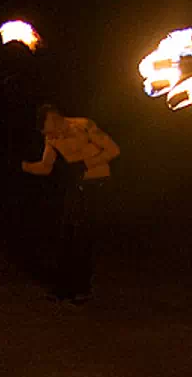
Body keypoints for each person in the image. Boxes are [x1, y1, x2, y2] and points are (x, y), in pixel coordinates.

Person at [20, 104, 120, 302]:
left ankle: (82, 288)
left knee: (84, 236)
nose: (50, 135)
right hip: (77, 184)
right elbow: (46, 167)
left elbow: (113, 150)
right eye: (45, 133)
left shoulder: (83, 125)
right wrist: (23, 166)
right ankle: (63, 288)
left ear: (56, 119)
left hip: (96, 183)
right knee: (66, 234)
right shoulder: (51, 137)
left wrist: (85, 164)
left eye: (49, 129)